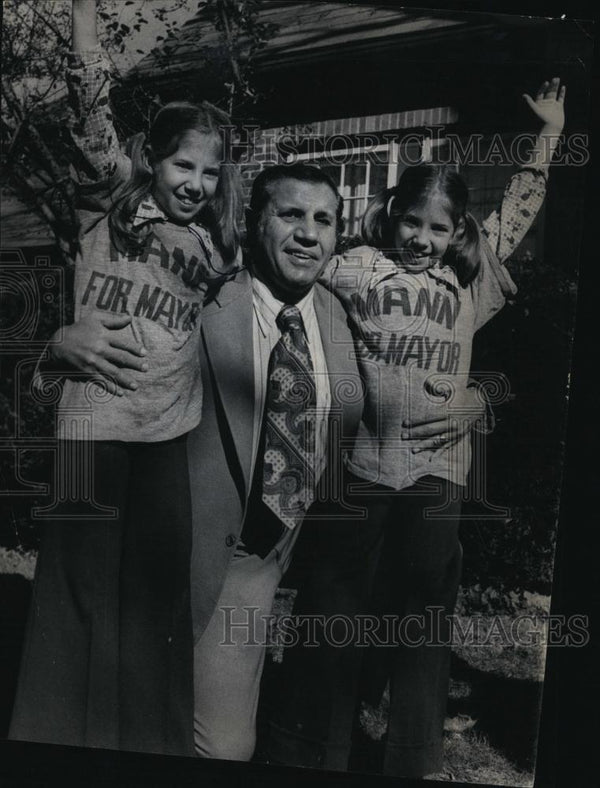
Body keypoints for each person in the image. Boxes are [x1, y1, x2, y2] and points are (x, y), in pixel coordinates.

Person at [264, 78, 566, 777]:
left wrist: (549, 137)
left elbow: (516, 212)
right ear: (391, 213)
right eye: (412, 223)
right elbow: (290, 277)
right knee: (334, 605)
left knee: (425, 614)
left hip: (439, 473)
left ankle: (412, 756)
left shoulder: (470, 281)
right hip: (365, 466)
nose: (422, 240)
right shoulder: (358, 267)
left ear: (458, 231)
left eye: (439, 228)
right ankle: (310, 744)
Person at [9, 0, 241, 756]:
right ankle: (50, 747)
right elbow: (90, 109)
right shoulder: (107, 201)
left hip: (164, 438)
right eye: (182, 164)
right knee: (71, 606)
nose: (196, 182)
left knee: (154, 609)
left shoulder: (212, 249)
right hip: (90, 430)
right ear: (152, 157)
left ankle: (152, 752)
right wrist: (83, 24)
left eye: (210, 171)